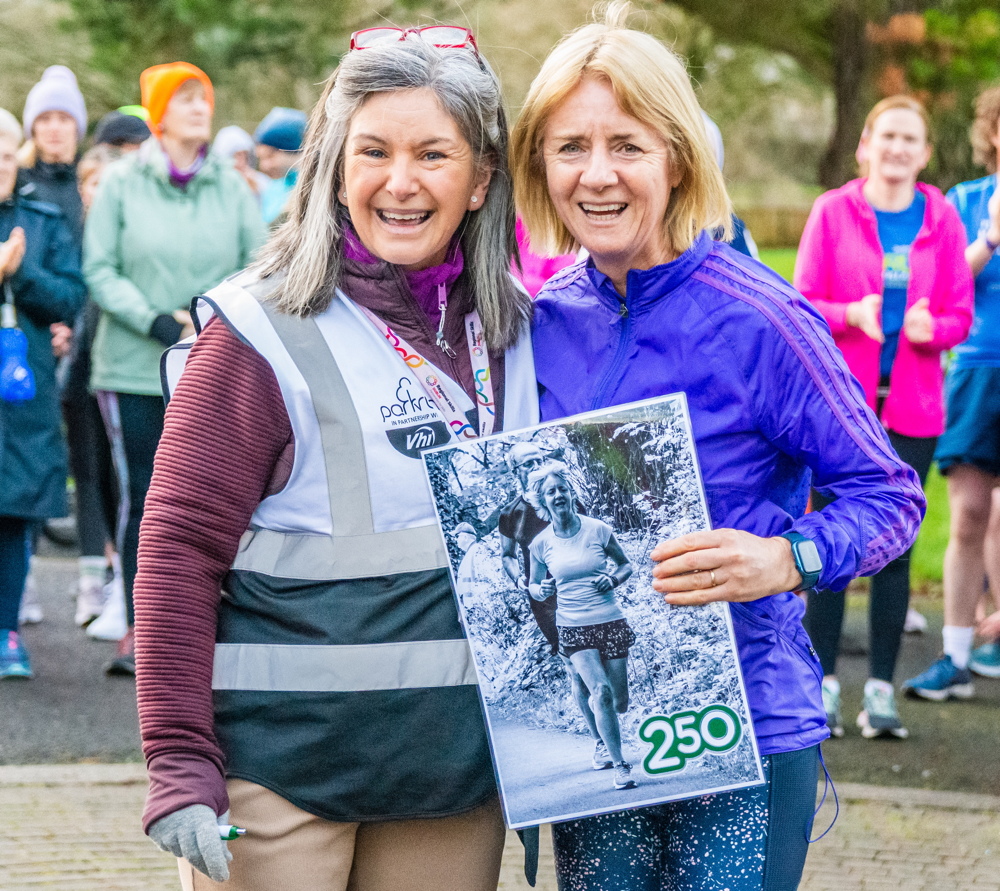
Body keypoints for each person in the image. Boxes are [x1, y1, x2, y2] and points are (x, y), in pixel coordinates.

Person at [509, 5, 925, 888]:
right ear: (537, 168)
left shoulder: (765, 319)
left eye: (627, 144)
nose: (597, 174)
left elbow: (892, 497)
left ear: (679, 156)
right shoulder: (537, 325)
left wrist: (788, 556)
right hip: (602, 745)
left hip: (747, 728)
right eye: (568, 147)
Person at [134, 29, 536, 889]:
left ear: (482, 178)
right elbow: (175, 549)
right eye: (374, 152)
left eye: (434, 153)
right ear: (333, 166)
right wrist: (176, 762)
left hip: (452, 772)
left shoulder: (519, 333)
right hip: (277, 775)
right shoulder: (258, 334)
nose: (400, 182)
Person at [794, 95, 973, 736]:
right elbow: (803, 302)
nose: (897, 148)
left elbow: (961, 314)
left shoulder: (942, 218)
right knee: (828, 543)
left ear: (924, 154)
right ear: (865, 144)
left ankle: (881, 692)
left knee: (894, 551)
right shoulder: (832, 212)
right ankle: (821, 688)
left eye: (910, 139)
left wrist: (933, 329)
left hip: (913, 410)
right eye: (887, 135)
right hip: (839, 410)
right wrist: (853, 317)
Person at [83, 61, 265, 676]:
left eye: (204, 97)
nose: (199, 107)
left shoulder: (229, 185)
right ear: (158, 111)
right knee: (145, 498)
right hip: (134, 365)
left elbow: (258, 262)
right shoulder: (120, 184)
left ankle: (210, 631)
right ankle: (142, 627)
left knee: (216, 499)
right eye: (185, 98)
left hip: (213, 363)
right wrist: (159, 322)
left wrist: (212, 317)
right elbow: (100, 268)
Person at [903, 85, 1000, 694]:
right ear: (992, 132)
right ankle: (957, 656)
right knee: (968, 516)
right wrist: (989, 239)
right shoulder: (965, 201)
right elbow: (942, 288)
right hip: (976, 367)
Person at [0, 108, 86, 678]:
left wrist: (18, 272)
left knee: (14, 510)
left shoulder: (41, 218)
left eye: (6, 154)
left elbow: (70, 295)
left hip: (21, 393)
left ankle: (7, 632)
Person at [525, 461, 635, 790]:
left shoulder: (597, 529)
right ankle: (620, 764)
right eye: (550, 492)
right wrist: (539, 589)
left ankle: (604, 733)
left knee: (619, 701)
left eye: (562, 488)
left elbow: (626, 565)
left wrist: (612, 579)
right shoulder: (540, 544)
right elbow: (532, 584)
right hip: (573, 627)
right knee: (599, 693)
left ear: (571, 492)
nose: (557, 494)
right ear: (542, 501)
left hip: (610, 621)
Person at [499, 441, 561, 651]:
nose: (536, 467)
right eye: (528, 464)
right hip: (542, 595)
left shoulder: (565, 497)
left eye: (539, 461)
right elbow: (508, 555)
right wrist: (519, 579)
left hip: (577, 583)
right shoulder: (510, 513)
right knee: (564, 651)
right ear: (515, 471)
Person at [254, 106, 307, 225]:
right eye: (261, 158)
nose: (264, 166)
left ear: (293, 151)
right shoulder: (273, 188)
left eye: (270, 156)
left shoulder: (317, 186)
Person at [212, 125, 270, 200]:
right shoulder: (212, 184)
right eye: (237, 155)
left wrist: (256, 192)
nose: (242, 162)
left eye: (245, 155)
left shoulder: (260, 182)